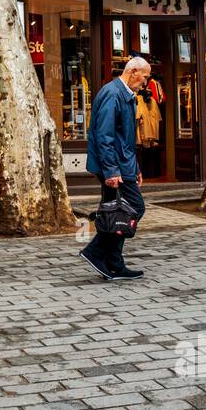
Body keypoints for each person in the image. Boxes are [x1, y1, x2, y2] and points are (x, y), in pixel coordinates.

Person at [79, 57, 151, 281]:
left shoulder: (125, 94)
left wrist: (135, 167)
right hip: (114, 166)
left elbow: (125, 138)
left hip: (121, 164)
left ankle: (113, 263)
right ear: (134, 71)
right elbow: (105, 135)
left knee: (115, 212)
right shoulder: (113, 94)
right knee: (134, 208)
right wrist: (112, 171)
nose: (146, 83)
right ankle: (95, 252)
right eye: (145, 77)